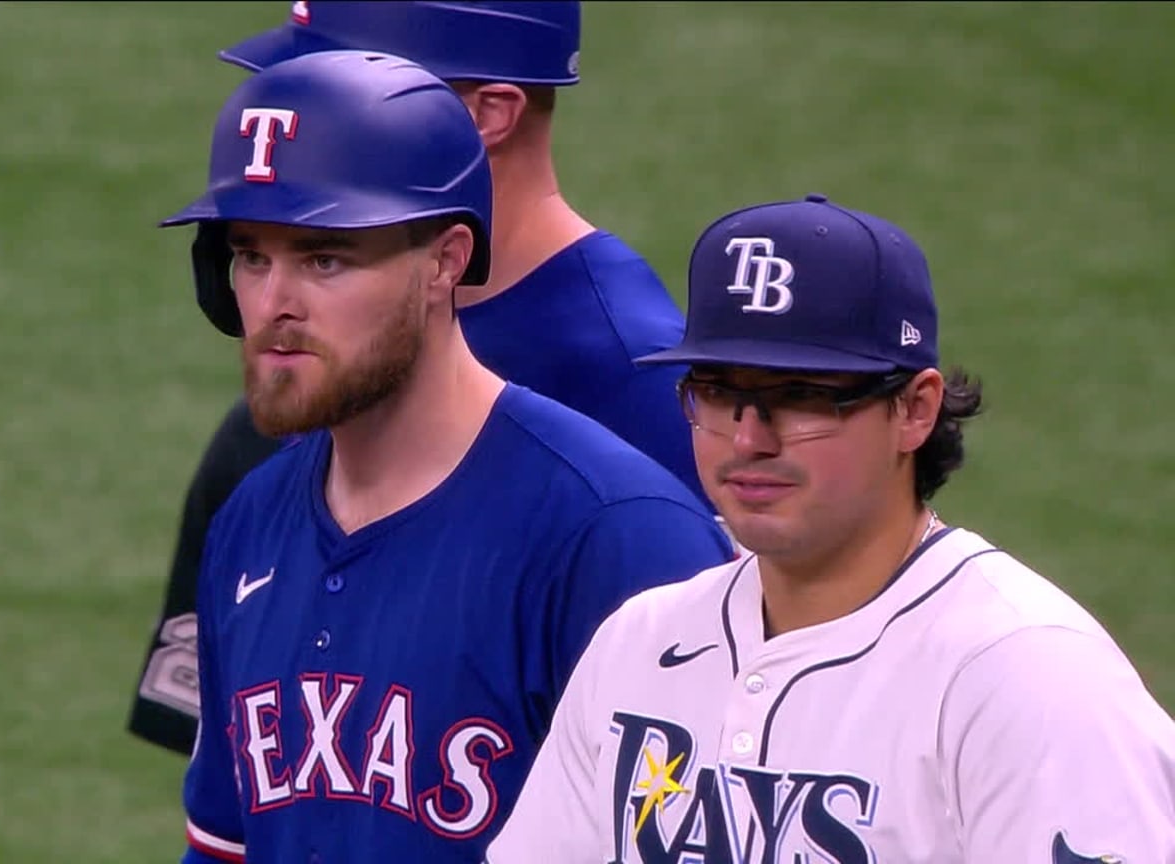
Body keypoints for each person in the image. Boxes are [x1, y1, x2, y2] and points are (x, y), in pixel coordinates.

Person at [157, 49, 734, 863]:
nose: (276, 305)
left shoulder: (617, 539)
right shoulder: (253, 521)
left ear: (446, 261)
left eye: (324, 257)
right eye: (253, 256)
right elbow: (223, 847)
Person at [483, 193, 1175, 862]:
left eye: (801, 397)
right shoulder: (639, 642)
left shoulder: (1023, 674)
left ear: (914, 409)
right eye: (720, 393)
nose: (749, 438)